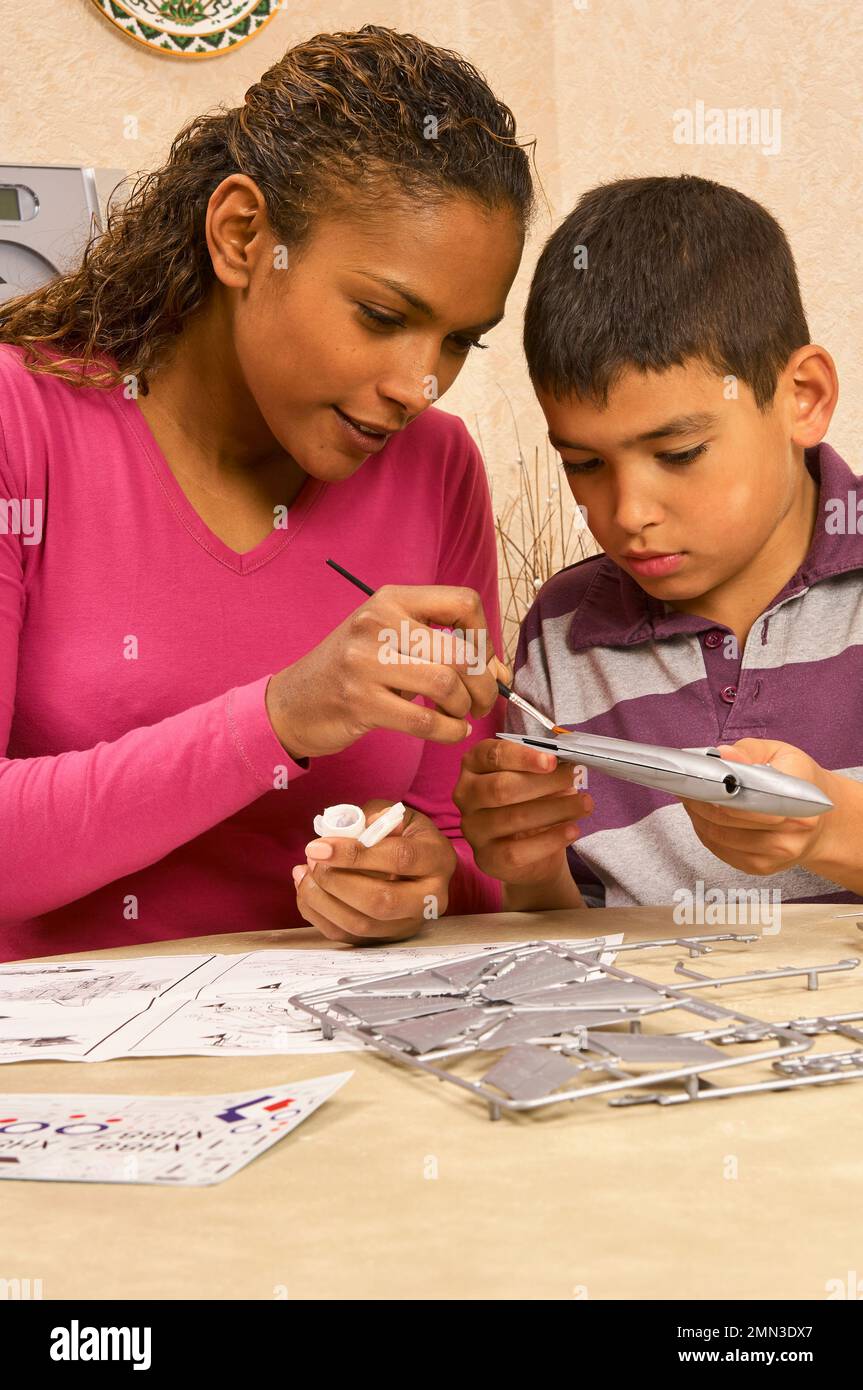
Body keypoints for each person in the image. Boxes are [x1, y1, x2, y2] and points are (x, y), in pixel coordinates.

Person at [0, 25, 533, 961]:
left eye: (459, 340)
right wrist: (282, 714)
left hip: (346, 1066)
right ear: (243, 236)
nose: (422, 385)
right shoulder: (22, 422)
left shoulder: (437, 469)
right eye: (382, 315)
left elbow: (454, 844)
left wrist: (421, 882)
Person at [455, 174, 863, 911]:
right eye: (583, 464)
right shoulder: (561, 631)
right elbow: (564, 931)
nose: (628, 513)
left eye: (677, 454)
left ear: (802, 398)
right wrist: (528, 867)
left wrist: (831, 827)